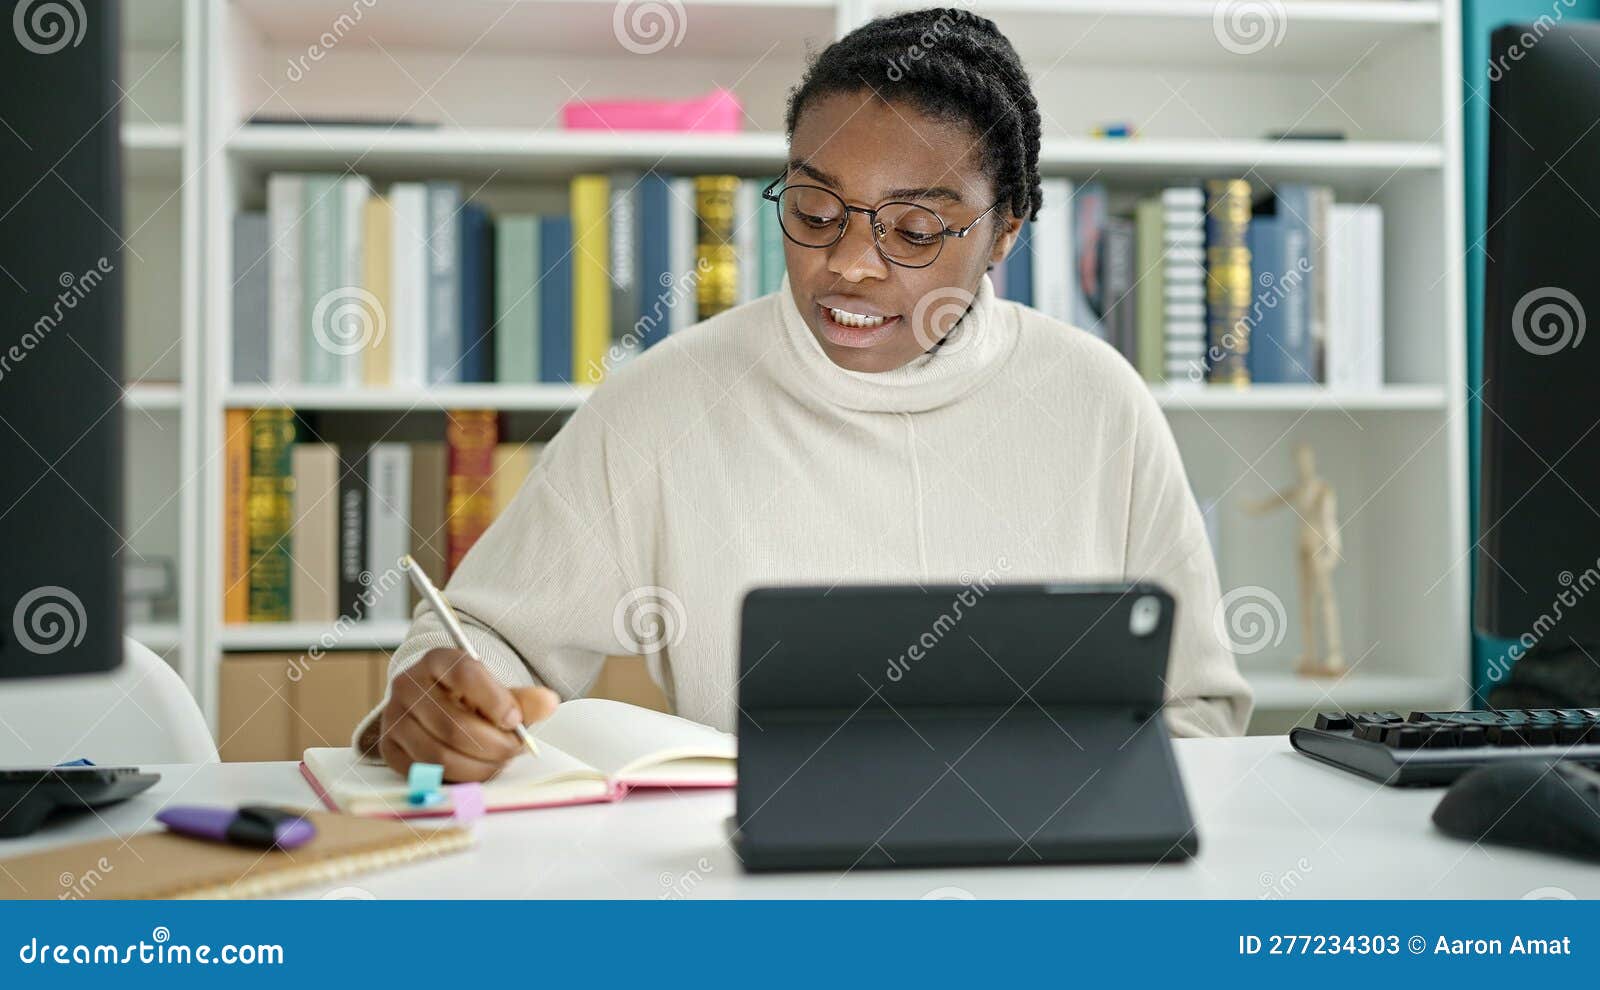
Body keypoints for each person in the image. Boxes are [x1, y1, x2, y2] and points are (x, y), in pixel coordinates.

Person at [357, 7, 1253, 781]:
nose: (849, 264)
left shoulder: (1095, 402)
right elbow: (485, 636)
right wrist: (440, 691)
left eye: (912, 229)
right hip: (742, 883)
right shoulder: (663, 403)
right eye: (816, 213)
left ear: (1004, 233)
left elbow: (1199, 711)